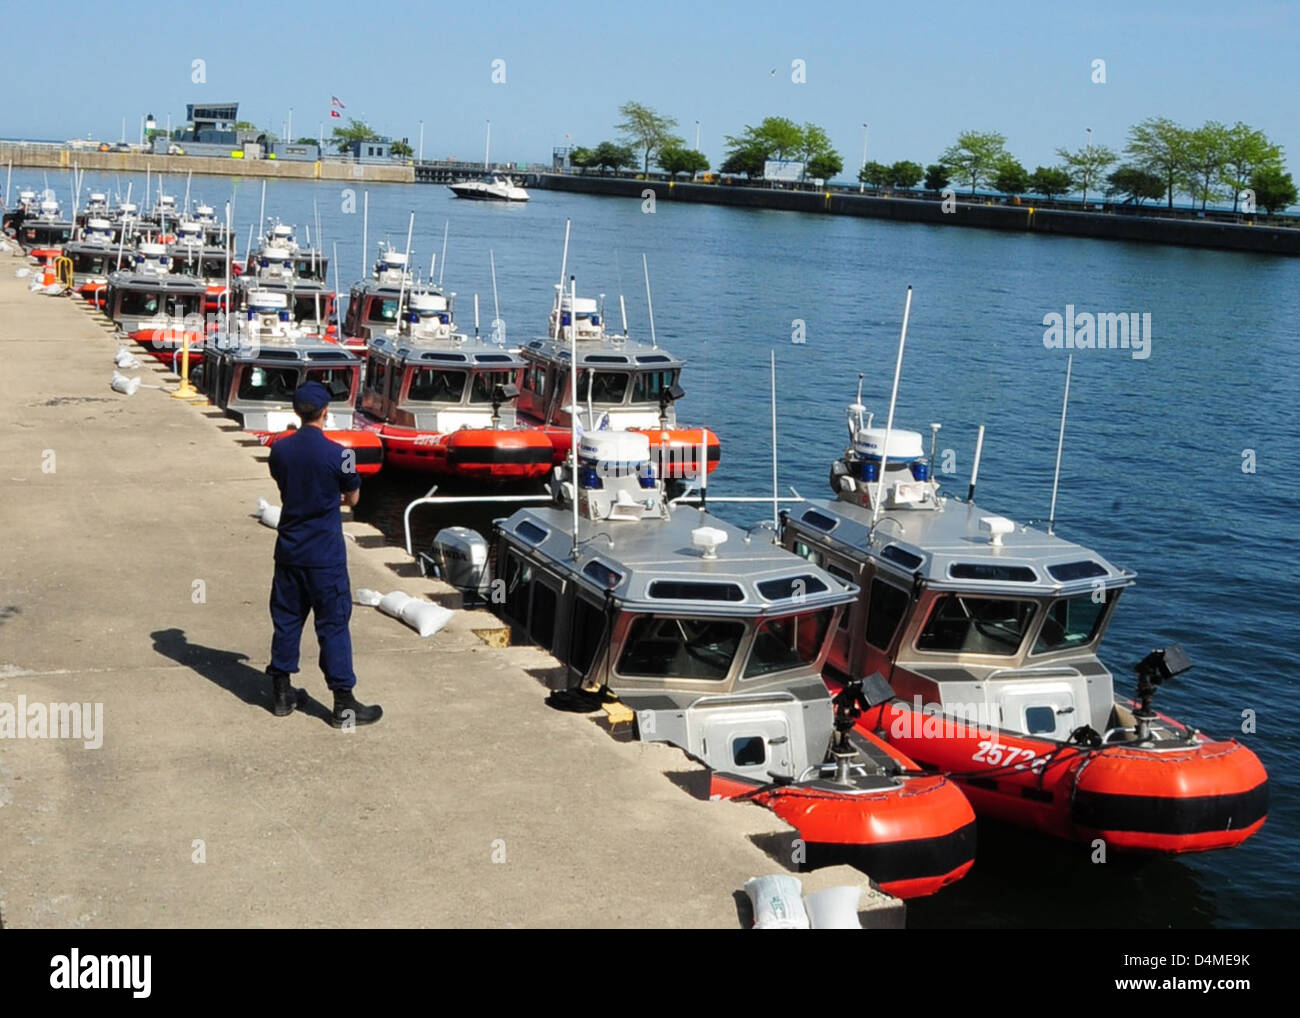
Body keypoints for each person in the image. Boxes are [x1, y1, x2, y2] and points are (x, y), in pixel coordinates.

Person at [265, 381, 382, 728]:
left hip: (289, 550)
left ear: (297, 413)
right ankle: (343, 703)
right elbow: (353, 499)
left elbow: (283, 484)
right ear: (325, 413)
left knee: (286, 619)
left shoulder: (280, 450)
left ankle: (282, 693)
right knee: (332, 626)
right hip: (325, 556)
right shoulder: (341, 454)